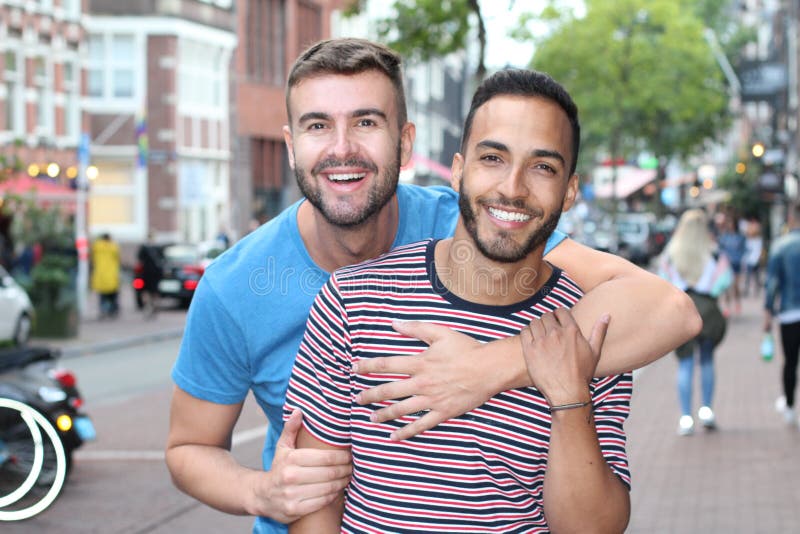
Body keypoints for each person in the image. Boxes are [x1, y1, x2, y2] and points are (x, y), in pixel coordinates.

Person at [165, 38, 699, 533]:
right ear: (291, 144)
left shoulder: (474, 222)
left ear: (406, 141)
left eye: (367, 122)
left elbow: (667, 308)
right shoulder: (240, 287)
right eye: (318, 125)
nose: (342, 148)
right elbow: (191, 447)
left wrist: (488, 368)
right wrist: (262, 492)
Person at [285, 68, 631, 532]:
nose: (513, 187)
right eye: (493, 158)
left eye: (543, 167)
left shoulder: (584, 324)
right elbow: (314, 502)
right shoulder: (352, 300)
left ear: (569, 191)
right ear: (459, 170)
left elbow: (593, 528)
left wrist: (568, 395)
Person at [659, 210, 732, 435]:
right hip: (708, 311)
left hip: (681, 311)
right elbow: (725, 280)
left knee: (685, 363)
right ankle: (707, 411)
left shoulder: (671, 254)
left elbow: (662, 282)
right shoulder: (714, 253)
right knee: (707, 360)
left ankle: (686, 417)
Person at [764, 202, 800, 427]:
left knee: (790, 362)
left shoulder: (781, 245)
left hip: (789, 313)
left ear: (790, 218)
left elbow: (772, 284)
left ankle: (789, 406)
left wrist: (768, 312)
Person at [717, 211, 745, 315]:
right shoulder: (724, 236)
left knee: (736, 286)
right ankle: (727, 307)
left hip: (736, 263)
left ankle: (737, 303)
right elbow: (720, 249)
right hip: (727, 264)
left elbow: (743, 249)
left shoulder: (740, 236)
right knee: (727, 287)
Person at [90, 233, 121, 318]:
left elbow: (92, 258)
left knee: (102, 295)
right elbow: (118, 258)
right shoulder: (113, 246)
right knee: (113, 295)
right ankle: (113, 310)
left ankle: (103, 310)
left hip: (100, 273)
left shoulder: (97, 246)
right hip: (112, 274)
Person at [137, 232, 163, 317]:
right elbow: (162, 260)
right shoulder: (157, 248)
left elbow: (140, 260)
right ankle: (154, 305)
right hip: (155, 273)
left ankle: (148, 306)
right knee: (154, 291)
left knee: (145, 291)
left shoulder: (143, 248)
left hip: (145, 273)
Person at [743, 216, 763, 297]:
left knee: (756, 277)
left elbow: (759, 250)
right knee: (748, 277)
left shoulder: (758, 240)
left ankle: (756, 291)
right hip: (749, 260)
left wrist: (759, 258)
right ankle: (746, 290)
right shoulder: (748, 240)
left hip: (756, 260)